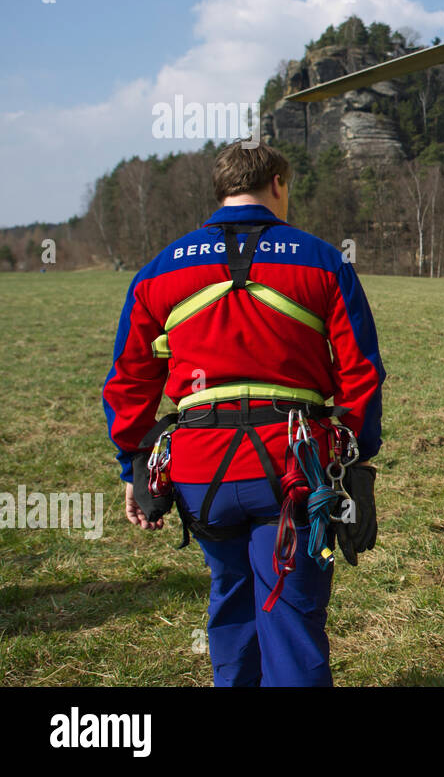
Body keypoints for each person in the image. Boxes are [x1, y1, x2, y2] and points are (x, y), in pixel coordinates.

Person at [103, 141, 385, 687]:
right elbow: (361, 374)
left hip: (199, 470)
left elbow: (129, 380)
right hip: (294, 468)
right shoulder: (324, 260)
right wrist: (354, 455)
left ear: (221, 190)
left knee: (231, 601)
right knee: (291, 615)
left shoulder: (158, 270)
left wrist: (133, 467)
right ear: (278, 183)